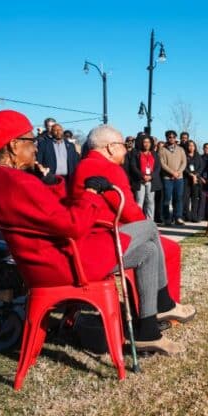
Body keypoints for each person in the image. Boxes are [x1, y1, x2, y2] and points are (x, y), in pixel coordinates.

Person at [0, 111, 194, 355]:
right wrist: (91, 194)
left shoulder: (1, 179)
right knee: (149, 227)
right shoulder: (14, 181)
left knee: (149, 250)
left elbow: (51, 213)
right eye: (31, 141)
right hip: (63, 261)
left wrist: (52, 183)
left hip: (51, 257)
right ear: (13, 145)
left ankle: (147, 332)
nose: (36, 148)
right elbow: (73, 224)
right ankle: (163, 304)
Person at [71, 126, 187, 306]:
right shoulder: (107, 168)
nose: (126, 149)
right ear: (110, 147)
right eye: (123, 144)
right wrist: (148, 232)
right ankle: (164, 306)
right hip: (107, 239)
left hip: (90, 238)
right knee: (169, 248)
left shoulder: (83, 164)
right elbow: (130, 212)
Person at [128, 134, 162, 220]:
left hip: (151, 181)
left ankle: (150, 221)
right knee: (139, 201)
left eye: (148, 142)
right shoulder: (136, 153)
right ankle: (138, 220)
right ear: (141, 143)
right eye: (144, 142)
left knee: (150, 201)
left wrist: (151, 176)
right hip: (140, 181)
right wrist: (142, 176)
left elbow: (158, 167)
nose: (146, 144)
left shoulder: (154, 154)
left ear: (151, 143)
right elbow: (133, 166)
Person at [158, 130, 186, 226]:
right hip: (167, 178)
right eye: (170, 137)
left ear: (175, 138)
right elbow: (162, 164)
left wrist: (178, 172)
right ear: (166, 138)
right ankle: (167, 218)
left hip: (179, 178)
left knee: (178, 198)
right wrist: (172, 173)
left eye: (173, 137)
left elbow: (184, 162)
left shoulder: (181, 149)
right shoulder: (162, 150)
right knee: (167, 199)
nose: (172, 139)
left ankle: (178, 217)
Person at [183, 140, 204, 222]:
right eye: (189, 145)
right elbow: (183, 166)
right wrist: (190, 174)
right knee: (186, 198)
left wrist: (195, 175)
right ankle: (186, 216)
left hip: (196, 180)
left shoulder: (198, 156)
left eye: (192, 146)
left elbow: (201, 167)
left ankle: (194, 216)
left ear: (195, 147)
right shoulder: (184, 155)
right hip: (187, 180)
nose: (191, 147)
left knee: (195, 198)